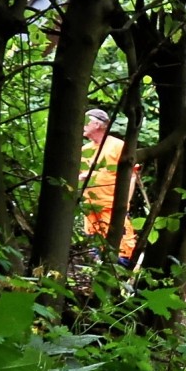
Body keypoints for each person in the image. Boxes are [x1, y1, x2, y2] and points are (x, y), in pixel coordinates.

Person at [79, 108, 138, 263]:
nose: (82, 125)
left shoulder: (118, 146)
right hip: (91, 210)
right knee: (98, 253)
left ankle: (125, 283)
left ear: (98, 124)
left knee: (123, 251)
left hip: (112, 208)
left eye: (86, 121)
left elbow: (132, 176)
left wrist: (125, 203)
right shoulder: (84, 151)